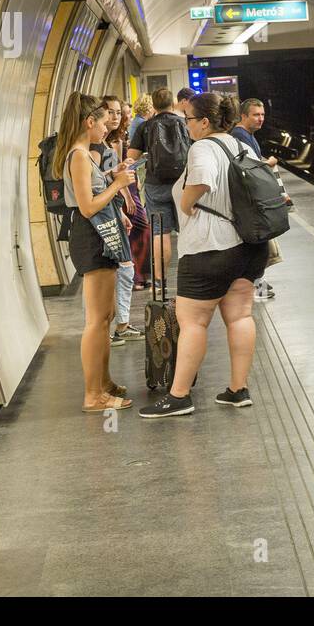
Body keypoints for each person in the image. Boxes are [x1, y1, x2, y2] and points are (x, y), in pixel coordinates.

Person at [139, 92, 266, 417]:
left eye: (189, 120)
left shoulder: (204, 148)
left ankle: (179, 395)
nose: (186, 125)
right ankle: (238, 390)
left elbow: (204, 181)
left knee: (193, 321)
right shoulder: (241, 144)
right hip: (248, 247)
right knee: (239, 316)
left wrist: (185, 201)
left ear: (205, 122)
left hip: (210, 249)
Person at [54, 92, 135, 412]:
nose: (107, 129)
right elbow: (87, 207)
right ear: (89, 122)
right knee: (96, 320)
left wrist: (112, 179)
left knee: (106, 316)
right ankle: (93, 394)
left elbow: (92, 192)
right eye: (102, 123)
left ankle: (103, 381)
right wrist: (117, 186)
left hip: (100, 235)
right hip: (91, 238)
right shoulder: (78, 155)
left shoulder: (85, 155)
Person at [127, 87, 188, 286]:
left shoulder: (146, 127)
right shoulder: (184, 123)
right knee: (187, 230)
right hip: (182, 184)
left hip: (155, 186)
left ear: (153, 105)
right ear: (173, 104)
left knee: (160, 233)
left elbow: (131, 158)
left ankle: (160, 280)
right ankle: (189, 276)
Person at [229, 97, 287, 300]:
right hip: (250, 202)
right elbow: (250, 168)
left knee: (259, 247)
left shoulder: (248, 135)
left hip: (253, 201)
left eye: (262, 115)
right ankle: (255, 288)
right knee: (258, 247)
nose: (260, 119)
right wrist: (268, 164)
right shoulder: (240, 135)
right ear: (243, 116)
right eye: (255, 115)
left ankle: (257, 285)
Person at [98, 95, 142, 343]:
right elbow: (98, 185)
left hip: (112, 210)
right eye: (109, 114)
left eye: (117, 113)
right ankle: (115, 326)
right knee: (121, 269)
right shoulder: (92, 150)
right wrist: (123, 193)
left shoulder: (107, 144)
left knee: (122, 269)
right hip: (104, 213)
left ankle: (120, 323)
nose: (114, 118)